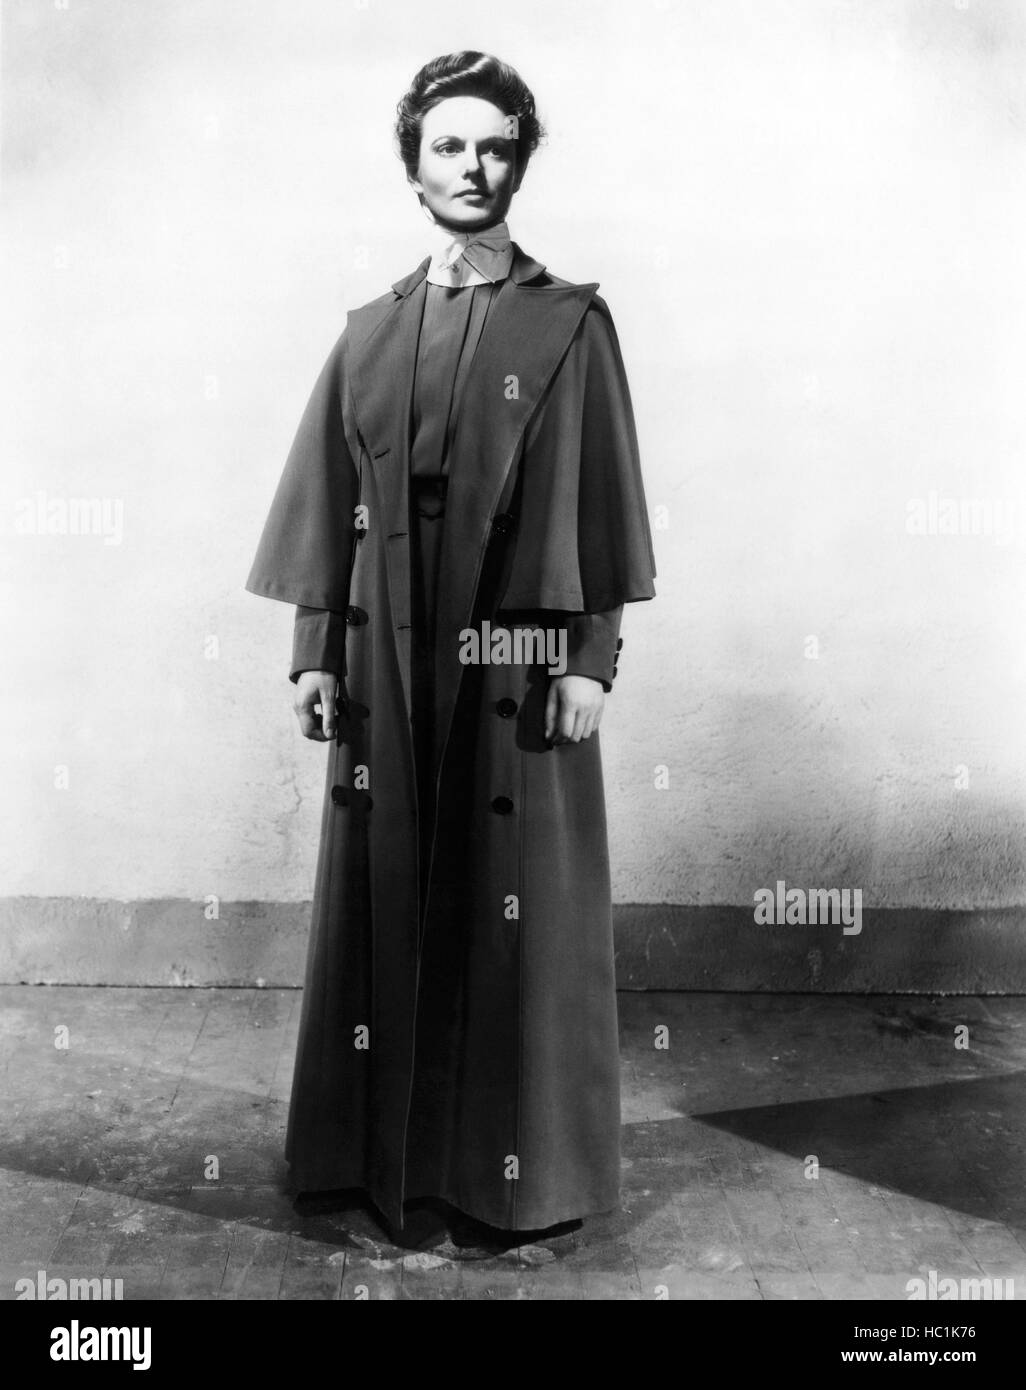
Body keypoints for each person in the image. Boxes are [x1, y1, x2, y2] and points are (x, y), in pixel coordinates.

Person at [246, 50, 656, 1251]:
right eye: (447, 147)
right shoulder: (370, 332)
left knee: (511, 917)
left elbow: (604, 499)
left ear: (519, 158)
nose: (471, 168)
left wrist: (589, 657)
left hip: (514, 651)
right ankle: (372, 1165)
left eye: (493, 146)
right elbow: (329, 500)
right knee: (385, 901)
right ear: (412, 165)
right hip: (388, 652)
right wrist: (318, 647)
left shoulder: (570, 321)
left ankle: (508, 1182)